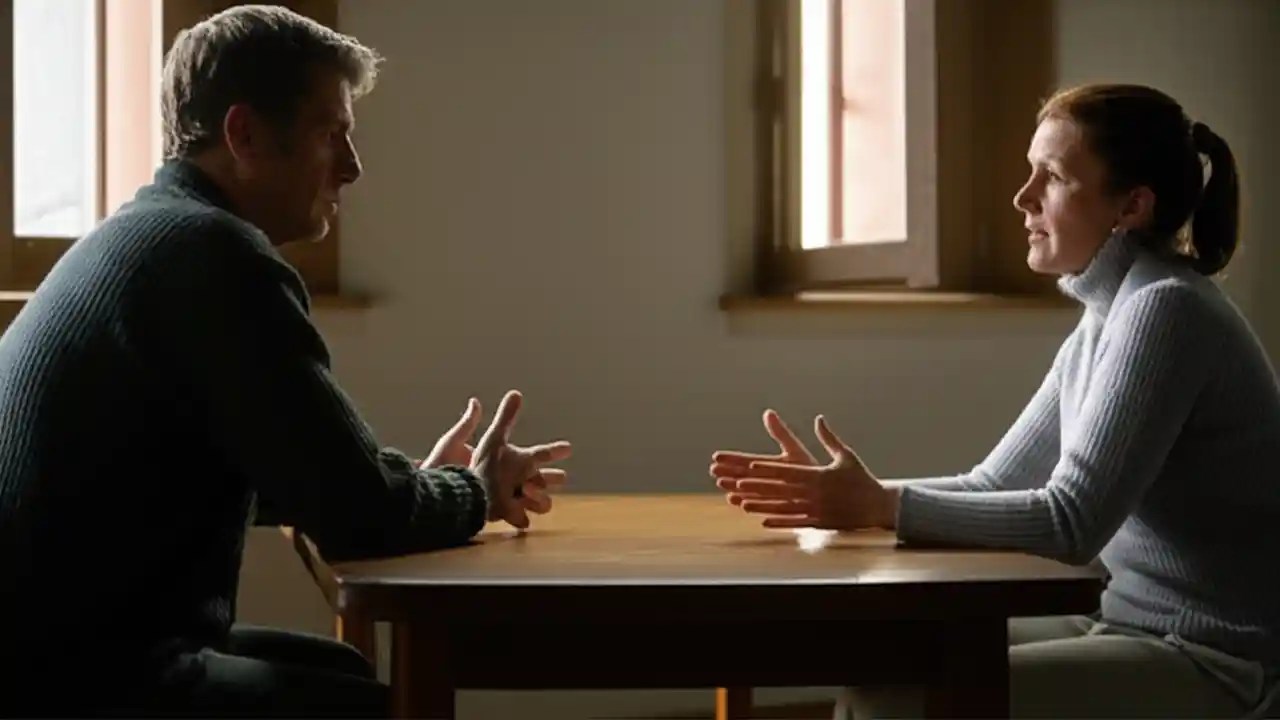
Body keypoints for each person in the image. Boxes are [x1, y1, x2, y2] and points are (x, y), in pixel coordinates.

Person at [0, 5, 570, 716]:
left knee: (340, 669)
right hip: (76, 679)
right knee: (363, 703)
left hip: (47, 652)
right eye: (332, 135)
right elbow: (355, 515)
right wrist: (474, 491)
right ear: (244, 135)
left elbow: (295, 470)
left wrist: (410, 484)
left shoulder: (141, 235)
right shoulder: (216, 258)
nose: (354, 168)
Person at [711, 83, 1280, 718]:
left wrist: (879, 504)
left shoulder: (1166, 309)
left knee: (894, 702)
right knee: (876, 660)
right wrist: (845, 499)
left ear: (1132, 207)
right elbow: (991, 483)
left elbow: (1070, 522)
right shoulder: (1108, 316)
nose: (1023, 197)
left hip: (1215, 658)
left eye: (1053, 176)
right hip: (1123, 626)